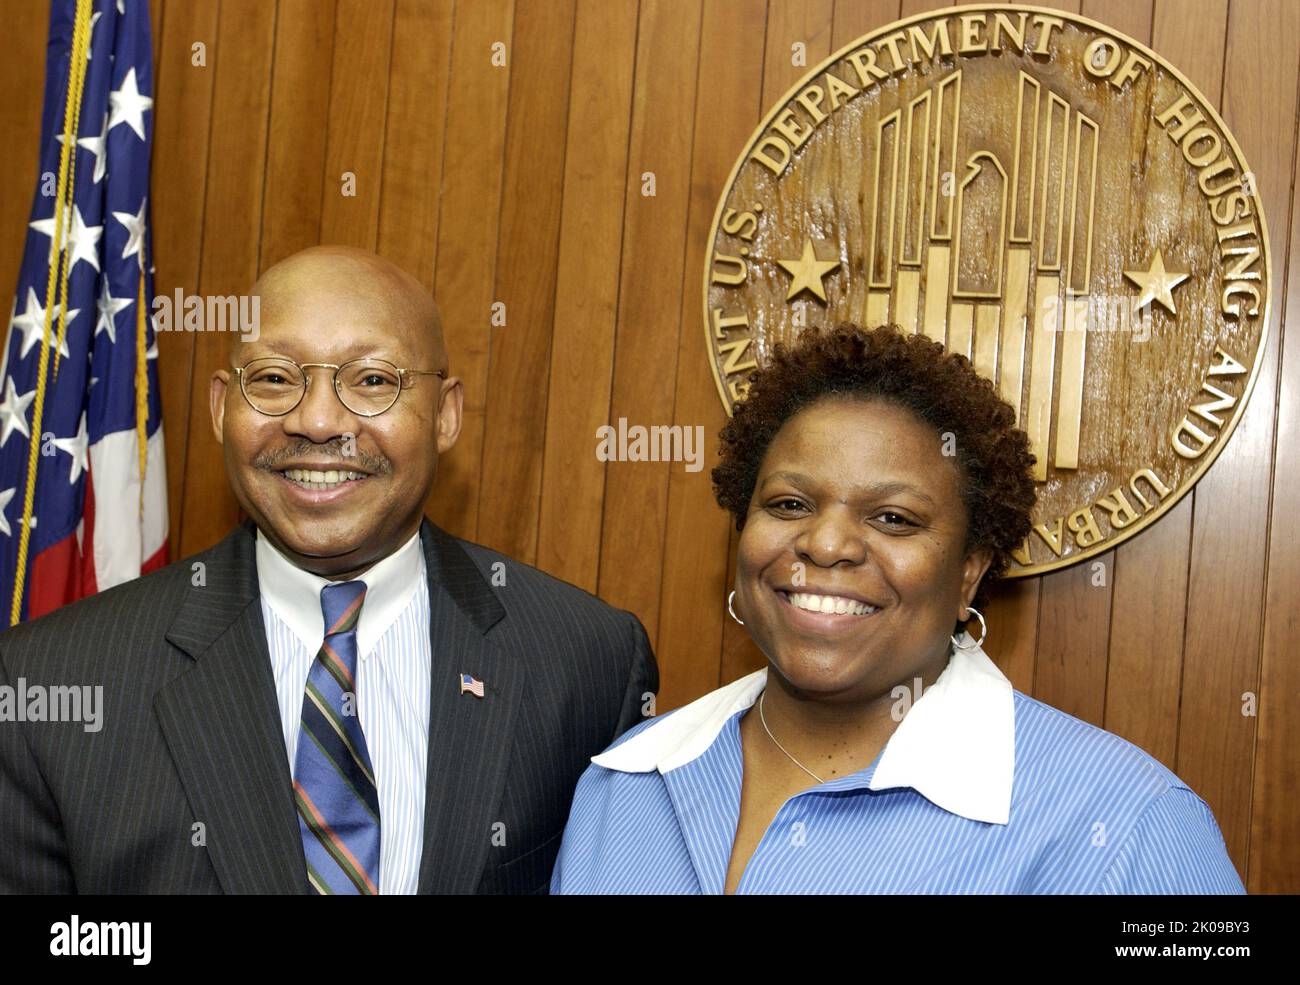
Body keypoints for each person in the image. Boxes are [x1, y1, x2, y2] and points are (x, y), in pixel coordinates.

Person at [0, 245, 657, 894]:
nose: (317, 421)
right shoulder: (49, 688)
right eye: (275, 378)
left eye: (373, 379)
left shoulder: (590, 663)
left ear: (446, 414)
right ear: (220, 407)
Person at [551, 322, 1244, 894]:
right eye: (789, 504)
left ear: (970, 572)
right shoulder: (625, 781)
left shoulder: (1131, 824)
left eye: (892, 517)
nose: (824, 543)